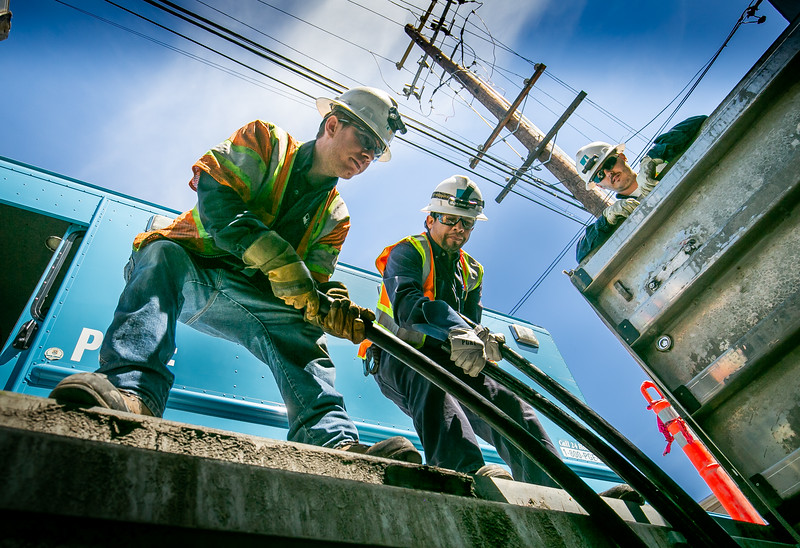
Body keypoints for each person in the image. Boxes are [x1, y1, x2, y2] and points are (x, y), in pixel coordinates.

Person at [49, 86, 422, 463]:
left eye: (376, 150)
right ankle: (131, 394)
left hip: (246, 299)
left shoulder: (336, 216)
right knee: (162, 252)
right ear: (332, 123)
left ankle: (332, 439)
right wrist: (283, 263)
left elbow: (312, 286)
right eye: (364, 139)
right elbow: (219, 205)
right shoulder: (266, 141)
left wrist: (331, 306)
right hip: (191, 271)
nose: (368, 155)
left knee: (301, 328)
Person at [359, 175, 559, 484]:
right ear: (431, 219)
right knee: (432, 381)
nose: (459, 229)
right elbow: (407, 305)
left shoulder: (472, 271)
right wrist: (456, 329)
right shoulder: (407, 251)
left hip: (447, 358)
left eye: (466, 223)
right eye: (451, 220)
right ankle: (463, 474)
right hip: (396, 355)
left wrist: (483, 337)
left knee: (511, 406)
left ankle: (554, 485)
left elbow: (469, 321)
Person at [574, 115, 708, 263]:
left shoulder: (663, 164)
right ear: (599, 186)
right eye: (599, 175)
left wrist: (652, 158)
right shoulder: (622, 215)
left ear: (623, 157)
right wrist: (606, 218)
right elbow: (581, 253)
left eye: (609, 164)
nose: (608, 173)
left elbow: (697, 121)